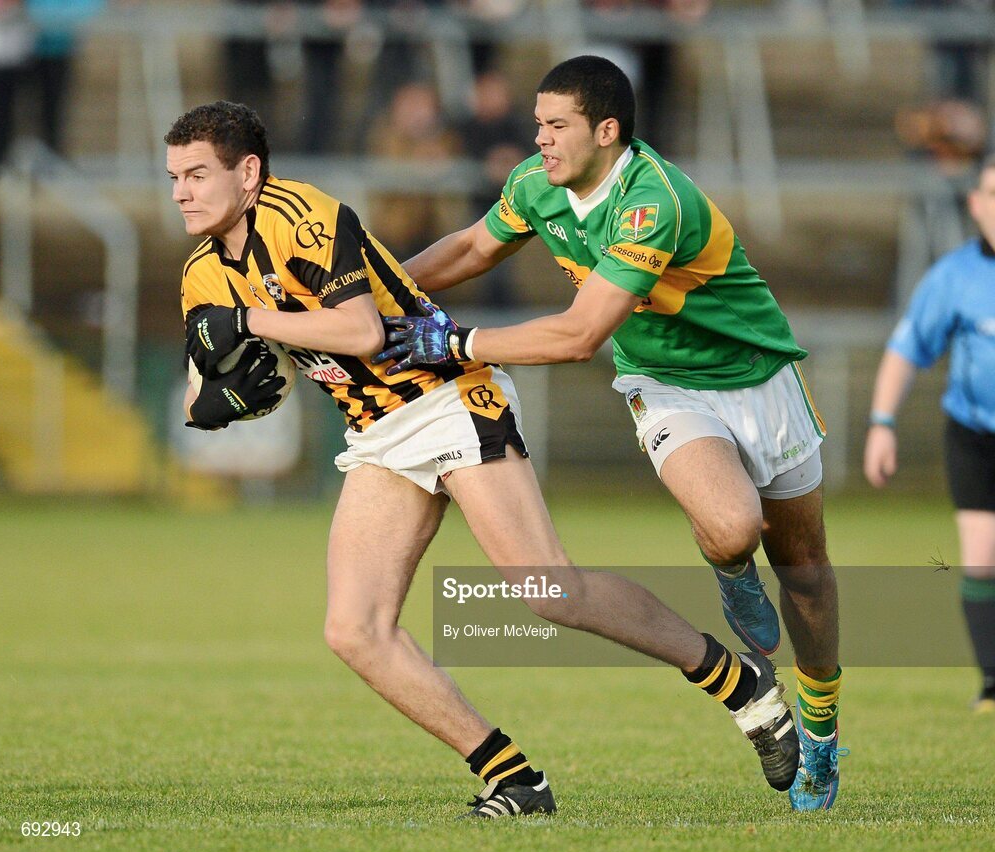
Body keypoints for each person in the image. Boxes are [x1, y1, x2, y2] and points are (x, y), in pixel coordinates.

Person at [167, 100, 800, 819]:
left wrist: (249, 322)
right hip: (377, 431)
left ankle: (738, 683)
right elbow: (206, 376)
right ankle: (514, 779)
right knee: (354, 630)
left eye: (196, 175)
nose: (182, 192)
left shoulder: (303, 215)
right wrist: (210, 409)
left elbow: (360, 330)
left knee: (549, 591)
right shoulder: (200, 274)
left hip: (447, 396)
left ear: (248, 173)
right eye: (174, 178)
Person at [374, 55, 844, 812]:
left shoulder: (651, 200)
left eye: (556, 126)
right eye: (537, 124)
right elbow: (471, 247)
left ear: (607, 130)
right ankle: (730, 570)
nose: (540, 140)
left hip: (760, 377)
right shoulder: (536, 183)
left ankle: (820, 725)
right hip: (665, 386)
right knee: (730, 529)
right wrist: (383, 293)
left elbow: (579, 334)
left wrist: (454, 342)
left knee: (809, 573)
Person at [864, 153, 995, 713]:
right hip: (975, 435)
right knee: (982, 560)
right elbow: (906, 351)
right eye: (992, 193)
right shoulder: (954, 277)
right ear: (975, 203)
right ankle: (993, 683)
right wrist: (882, 424)